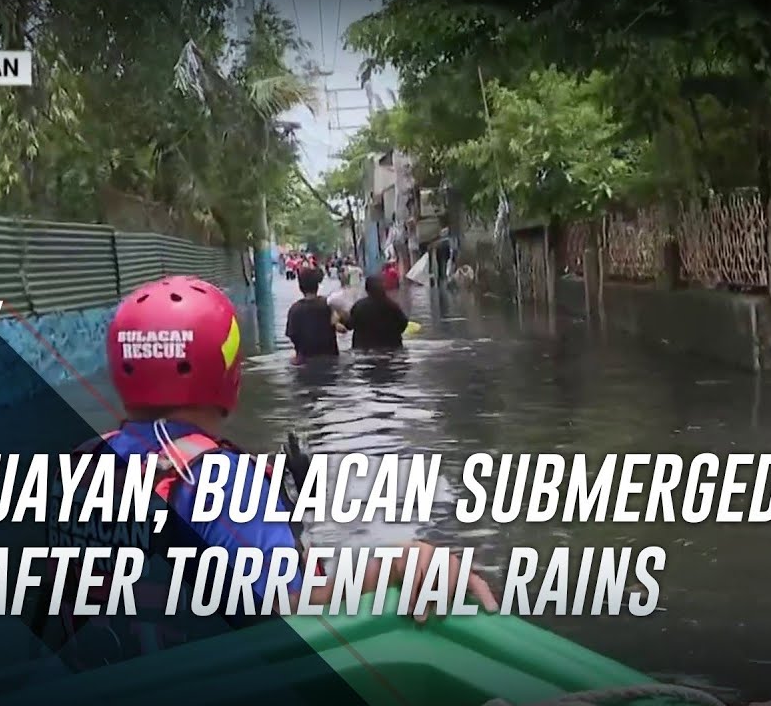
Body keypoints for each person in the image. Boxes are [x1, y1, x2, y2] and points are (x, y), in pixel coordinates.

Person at [47, 275, 494, 663]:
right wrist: (398, 561)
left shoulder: (81, 461)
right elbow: (295, 602)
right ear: (228, 374)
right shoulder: (220, 479)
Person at [285, 267, 342, 362]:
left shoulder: (294, 310)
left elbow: (292, 335)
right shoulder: (328, 304)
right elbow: (341, 327)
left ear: (300, 287)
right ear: (317, 286)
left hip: (305, 359)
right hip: (330, 357)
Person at [343, 274, 409, 351]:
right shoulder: (392, 306)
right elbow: (403, 323)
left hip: (363, 349)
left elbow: (349, 325)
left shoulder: (359, 306)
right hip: (392, 347)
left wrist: (341, 317)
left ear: (366, 289)